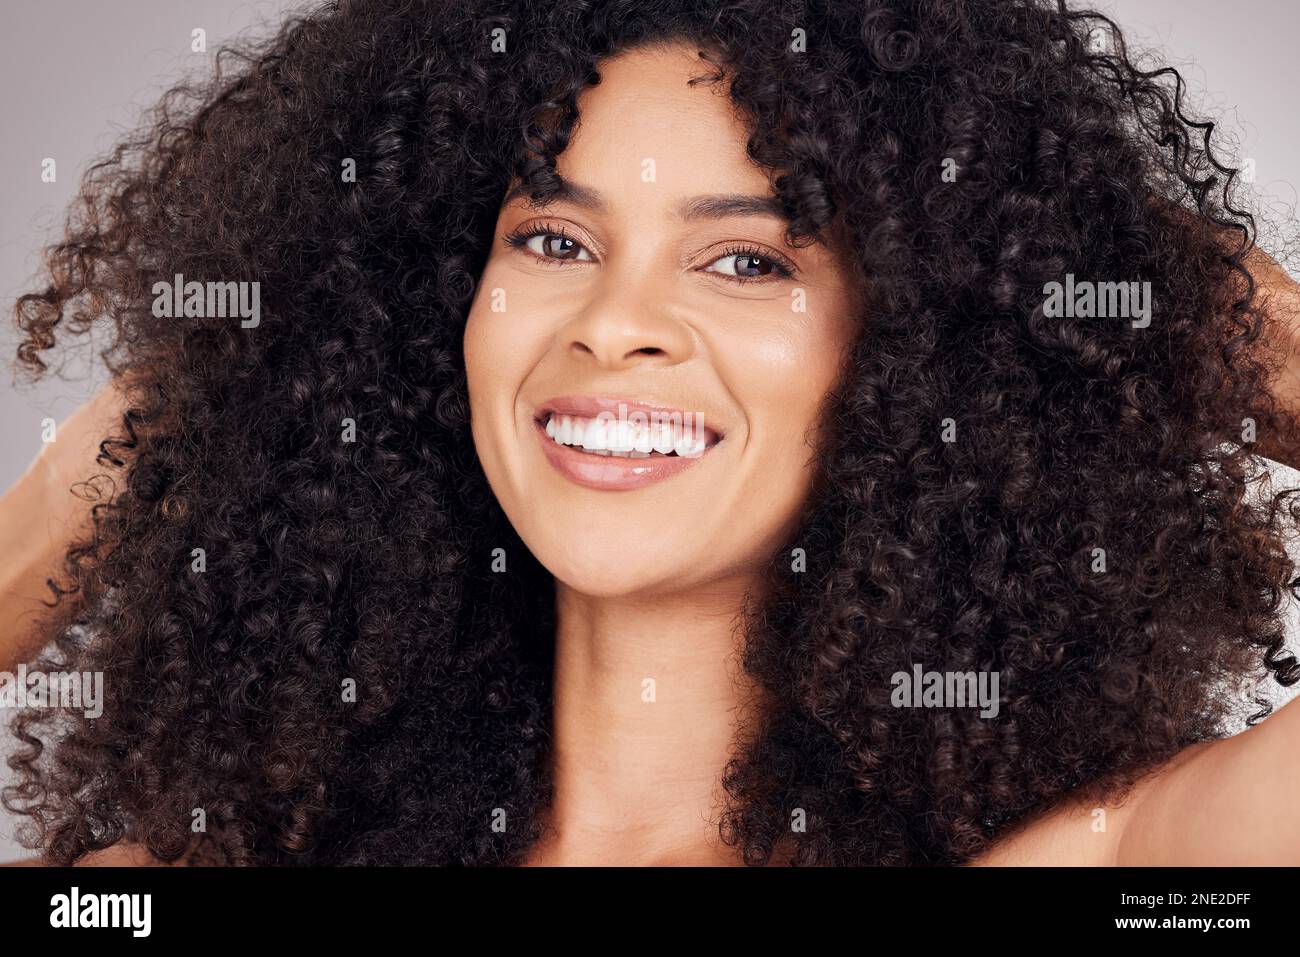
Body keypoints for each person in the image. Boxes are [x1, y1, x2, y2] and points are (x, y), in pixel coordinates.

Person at [3, 0, 1300, 867]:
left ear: (914, 350)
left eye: (742, 260)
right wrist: (188, 409)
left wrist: (1122, 269)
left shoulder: (1111, 861)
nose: (617, 323)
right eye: (553, 241)